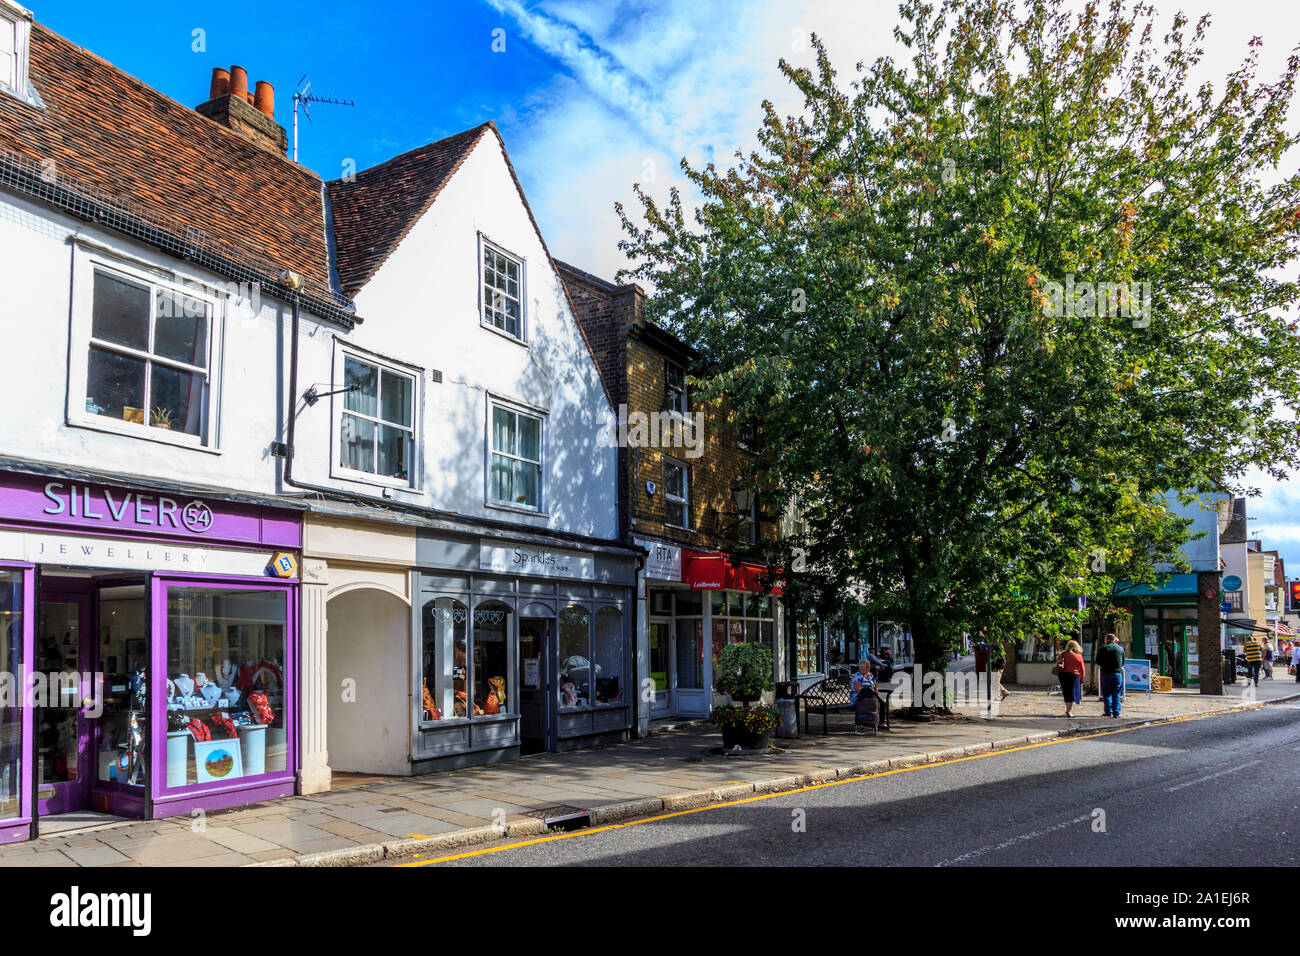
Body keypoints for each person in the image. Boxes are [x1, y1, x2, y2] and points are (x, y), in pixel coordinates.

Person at [1095, 633, 1126, 718]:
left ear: (1106, 640)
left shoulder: (1103, 649)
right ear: (1114, 639)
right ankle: (1116, 713)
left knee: (1106, 693)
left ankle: (1108, 711)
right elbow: (1123, 662)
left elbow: (1097, 661)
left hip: (1105, 673)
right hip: (1117, 674)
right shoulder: (1120, 649)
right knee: (1116, 694)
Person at [1055, 640, 1086, 717]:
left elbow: (1058, 662)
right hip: (1074, 676)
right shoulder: (1078, 656)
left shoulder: (1063, 654)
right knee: (1072, 694)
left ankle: (1068, 709)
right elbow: (1082, 669)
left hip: (1063, 675)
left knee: (1066, 692)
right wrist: (1082, 678)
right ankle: (1069, 711)